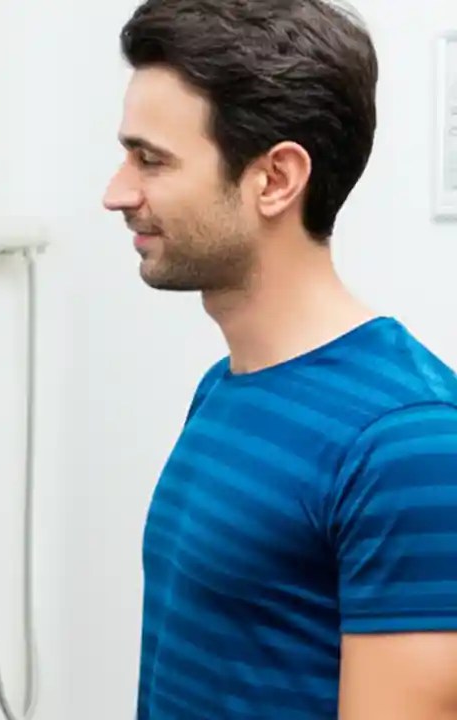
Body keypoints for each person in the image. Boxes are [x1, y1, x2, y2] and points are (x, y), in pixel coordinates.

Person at [104, 1, 457, 717]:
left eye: (152, 159)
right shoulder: (224, 388)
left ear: (274, 180)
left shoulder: (410, 443)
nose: (118, 192)